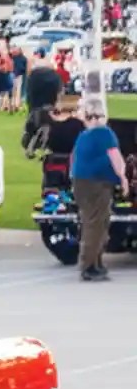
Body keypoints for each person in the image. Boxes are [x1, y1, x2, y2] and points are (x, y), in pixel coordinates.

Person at [70, 100, 125, 282]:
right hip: (97, 184)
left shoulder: (84, 135)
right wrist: (123, 178)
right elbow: (115, 157)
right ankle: (89, 265)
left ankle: (96, 262)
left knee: (95, 222)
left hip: (81, 183)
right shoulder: (105, 134)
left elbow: (73, 158)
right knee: (96, 225)